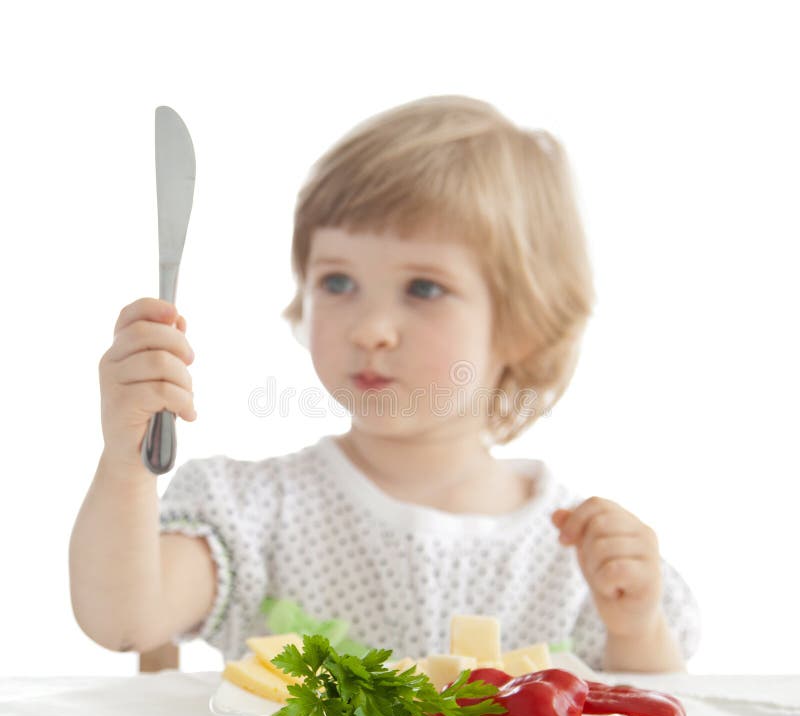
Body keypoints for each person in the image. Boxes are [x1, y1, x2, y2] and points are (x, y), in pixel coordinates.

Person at [69, 95, 700, 673]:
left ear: (522, 326)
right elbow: (125, 621)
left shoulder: (573, 560)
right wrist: (126, 462)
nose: (370, 329)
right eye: (338, 282)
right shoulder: (251, 512)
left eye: (423, 288)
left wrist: (635, 627)